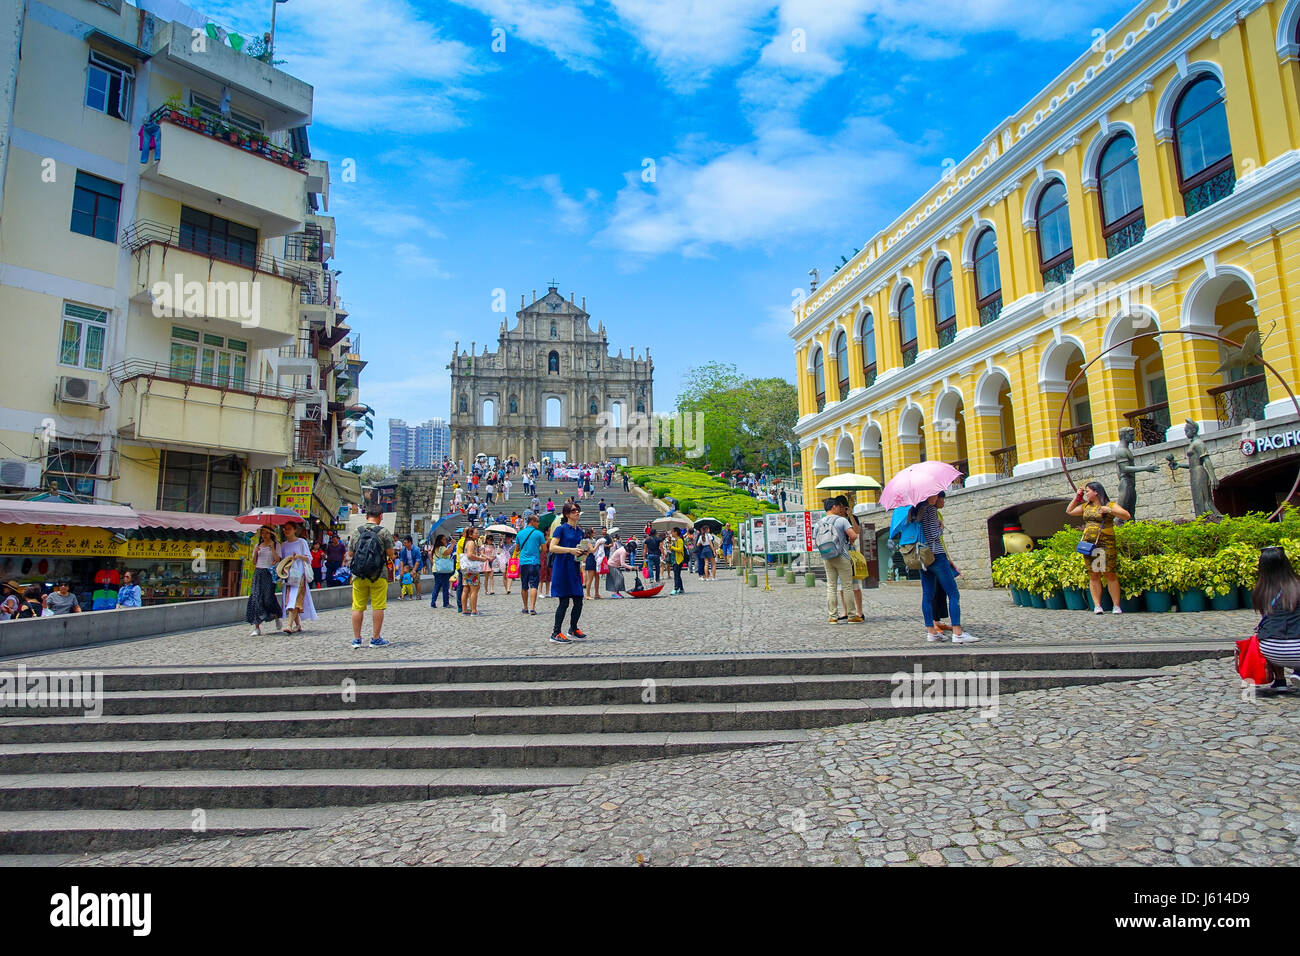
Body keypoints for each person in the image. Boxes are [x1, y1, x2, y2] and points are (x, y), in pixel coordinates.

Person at [915, 491, 974, 641]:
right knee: (953, 593)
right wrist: (940, 527)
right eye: (941, 497)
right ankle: (957, 632)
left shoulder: (916, 511)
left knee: (927, 595)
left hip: (924, 557)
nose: (942, 501)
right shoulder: (931, 510)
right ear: (933, 496)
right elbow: (934, 535)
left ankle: (931, 632)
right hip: (937, 556)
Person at [1066, 481, 1129, 615]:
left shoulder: (1109, 505)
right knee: (1094, 573)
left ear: (1096, 492)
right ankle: (1097, 605)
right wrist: (1077, 497)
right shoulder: (1085, 506)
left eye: (1088, 491)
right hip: (1090, 544)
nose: (1086, 493)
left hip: (1106, 543)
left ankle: (1116, 606)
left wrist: (1110, 511)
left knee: (1109, 573)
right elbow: (1069, 511)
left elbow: (1126, 515)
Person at [1252, 546, 1300, 692]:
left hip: (1270, 649)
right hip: (1298, 649)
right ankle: (1298, 672)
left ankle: (1280, 681)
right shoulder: (1297, 585)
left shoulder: (1260, 591)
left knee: (1273, 629)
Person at [348, 506, 396, 648]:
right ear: (381, 516)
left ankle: (357, 639)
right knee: (378, 606)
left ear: (366, 516)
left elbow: (350, 554)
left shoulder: (357, 531)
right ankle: (375, 639)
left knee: (357, 607)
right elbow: (390, 553)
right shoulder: (383, 532)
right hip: (378, 575)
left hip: (358, 575)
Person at [817, 498, 863, 625]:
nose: (839, 509)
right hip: (842, 556)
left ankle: (833, 616)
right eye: (838, 506)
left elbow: (816, 541)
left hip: (827, 557)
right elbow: (853, 535)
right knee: (847, 586)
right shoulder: (841, 520)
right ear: (833, 507)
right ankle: (852, 616)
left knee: (831, 587)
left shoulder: (819, 522)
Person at [547, 501, 587, 644]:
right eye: (574, 510)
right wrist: (570, 550)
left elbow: (578, 550)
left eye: (578, 510)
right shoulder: (561, 529)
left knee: (578, 600)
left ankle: (573, 628)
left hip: (574, 568)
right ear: (567, 514)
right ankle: (555, 633)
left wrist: (584, 553)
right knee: (563, 602)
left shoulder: (580, 531)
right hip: (562, 568)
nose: (577, 512)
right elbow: (552, 547)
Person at [279, 520, 317, 633]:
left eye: (289, 529)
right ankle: (298, 625)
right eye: (285, 529)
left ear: (295, 530)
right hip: (288, 576)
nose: (286, 531)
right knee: (289, 599)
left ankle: (289, 625)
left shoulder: (301, 542)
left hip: (299, 575)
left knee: (294, 599)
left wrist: (299, 556)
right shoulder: (284, 545)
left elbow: (309, 558)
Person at [246, 525, 282, 636]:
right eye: (262, 533)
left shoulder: (276, 545)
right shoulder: (258, 545)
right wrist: (256, 552)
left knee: (268, 598)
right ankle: (257, 627)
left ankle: (276, 616)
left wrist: (272, 548)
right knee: (256, 598)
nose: (264, 535)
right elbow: (253, 561)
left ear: (271, 533)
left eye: (266, 533)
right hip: (258, 573)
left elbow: (277, 559)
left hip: (269, 573)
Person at [516, 513, 545, 616]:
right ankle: (532, 608)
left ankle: (525, 607)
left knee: (524, 586)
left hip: (523, 562)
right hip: (534, 562)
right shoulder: (539, 534)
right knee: (534, 585)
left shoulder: (520, 533)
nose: (538, 523)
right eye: (537, 521)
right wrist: (537, 549)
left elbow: (517, 548)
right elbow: (544, 549)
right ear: (532, 522)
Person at [460, 525, 484, 615]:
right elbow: (470, 555)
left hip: (467, 569)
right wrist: (480, 559)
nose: (477, 535)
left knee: (466, 588)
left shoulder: (466, 542)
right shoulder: (471, 543)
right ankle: (473, 610)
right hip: (472, 569)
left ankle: (464, 609)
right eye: (476, 533)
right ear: (470, 534)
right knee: (474, 589)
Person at [429, 534, 454, 608]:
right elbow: (447, 552)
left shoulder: (435, 548)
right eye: (443, 539)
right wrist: (452, 545)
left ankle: (433, 602)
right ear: (440, 541)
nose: (445, 540)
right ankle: (446, 603)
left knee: (437, 586)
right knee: (445, 586)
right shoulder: (442, 548)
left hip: (436, 569)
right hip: (442, 570)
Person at [399, 535, 423, 601]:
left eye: (405, 543)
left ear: (410, 543)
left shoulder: (416, 549)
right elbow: (401, 560)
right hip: (407, 566)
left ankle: (418, 594)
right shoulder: (403, 550)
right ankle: (404, 592)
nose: (404, 544)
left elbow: (418, 561)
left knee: (416, 579)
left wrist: (414, 570)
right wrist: (401, 570)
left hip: (416, 566)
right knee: (401, 579)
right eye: (403, 543)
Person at [669, 527, 687, 595]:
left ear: (676, 532)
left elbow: (679, 549)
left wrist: (672, 547)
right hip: (674, 560)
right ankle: (681, 588)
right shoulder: (675, 540)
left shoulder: (679, 540)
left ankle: (676, 588)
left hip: (678, 560)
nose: (671, 533)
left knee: (676, 575)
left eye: (672, 532)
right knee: (677, 575)